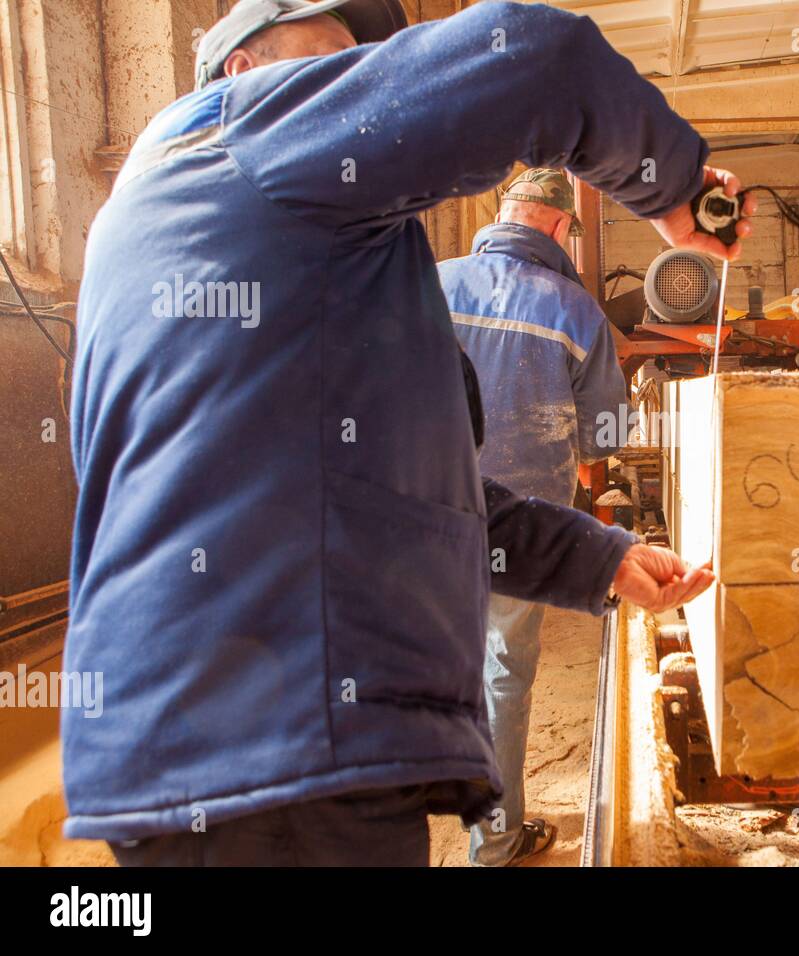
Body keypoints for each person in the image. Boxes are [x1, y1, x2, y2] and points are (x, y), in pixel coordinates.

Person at [65, 0, 750, 866]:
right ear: (241, 69)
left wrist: (599, 560)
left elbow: (405, 495)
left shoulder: (239, 236)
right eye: (333, 58)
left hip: (250, 743)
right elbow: (541, 58)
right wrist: (680, 187)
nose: (359, 76)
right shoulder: (238, 139)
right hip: (268, 741)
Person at [439, 169, 622, 864]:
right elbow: (603, 437)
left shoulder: (427, 281)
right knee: (499, 678)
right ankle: (496, 843)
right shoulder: (576, 311)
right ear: (556, 227)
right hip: (519, 530)